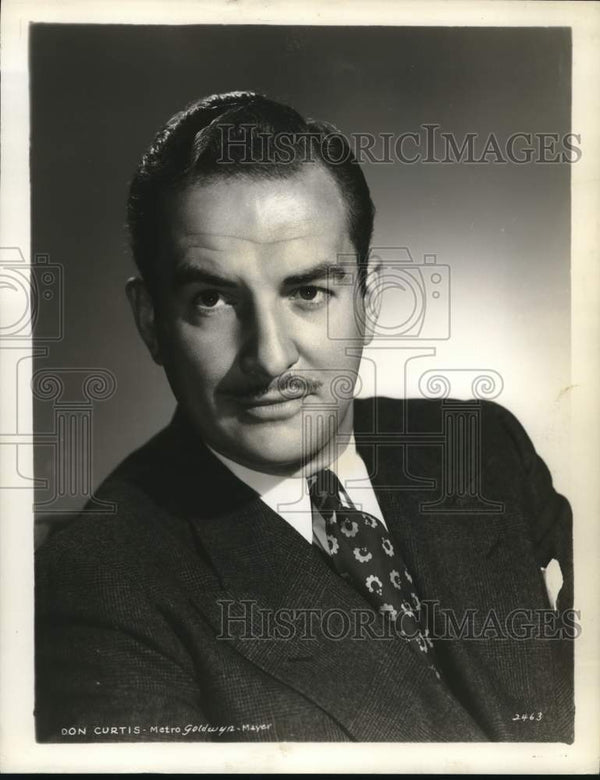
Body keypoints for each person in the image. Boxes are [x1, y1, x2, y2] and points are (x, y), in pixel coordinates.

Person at [35, 91, 574, 742]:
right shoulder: (96, 582)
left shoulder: (479, 444)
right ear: (151, 321)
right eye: (212, 298)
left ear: (371, 300)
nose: (268, 356)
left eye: (308, 291)